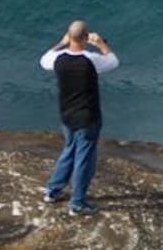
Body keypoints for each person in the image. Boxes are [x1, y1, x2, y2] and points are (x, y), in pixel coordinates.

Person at [40, 20, 118, 216]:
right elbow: (113, 61)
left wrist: (61, 42)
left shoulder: (57, 60)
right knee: (84, 157)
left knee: (69, 149)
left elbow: (44, 59)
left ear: (69, 36)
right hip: (88, 116)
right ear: (85, 38)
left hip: (67, 114)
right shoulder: (90, 60)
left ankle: (53, 191)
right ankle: (77, 203)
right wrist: (100, 44)